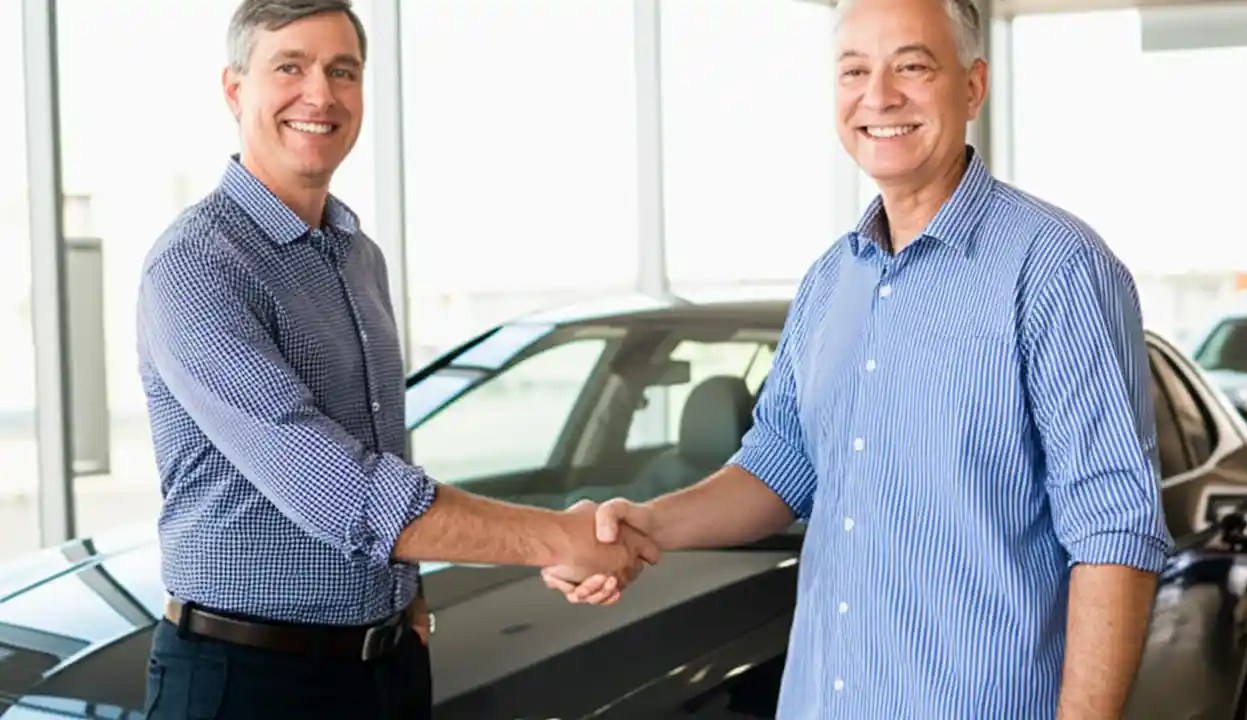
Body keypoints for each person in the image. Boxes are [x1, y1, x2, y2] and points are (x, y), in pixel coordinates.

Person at [544, 0, 1172, 717]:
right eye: (854, 71)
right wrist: (648, 524)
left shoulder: (1057, 269)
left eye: (912, 65)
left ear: (972, 86)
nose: (879, 97)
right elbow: (778, 466)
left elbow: (1114, 531)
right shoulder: (829, 282)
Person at [135, 1, 656, 718]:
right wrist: (558, 538)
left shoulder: (356, 256)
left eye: (342, 71)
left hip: (383, 667)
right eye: (291, 66)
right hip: (249, 681)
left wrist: (406, 598)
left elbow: (380, 447)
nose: (320, 94)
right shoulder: (199, 265)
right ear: (234, 89)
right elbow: (341, 489)